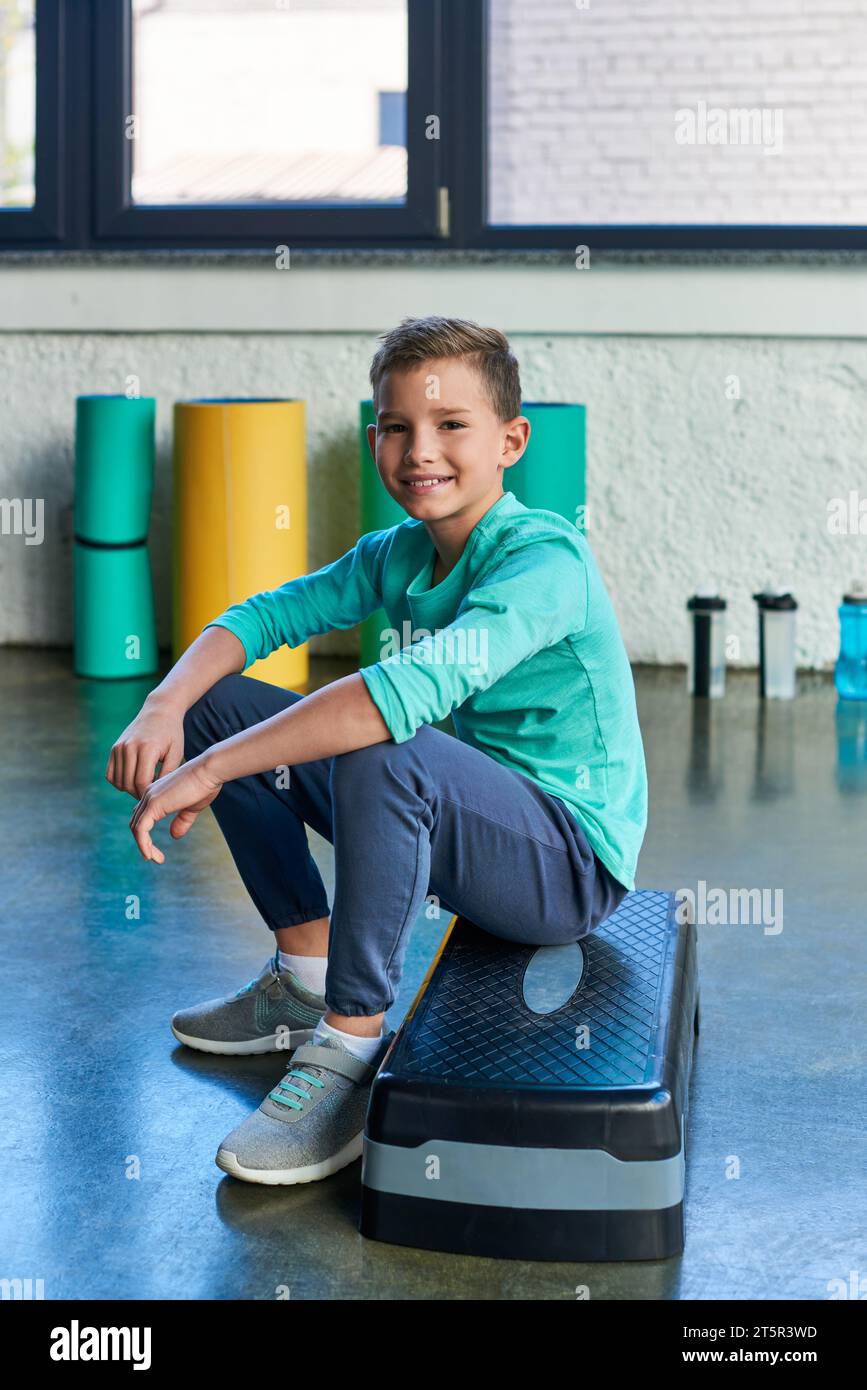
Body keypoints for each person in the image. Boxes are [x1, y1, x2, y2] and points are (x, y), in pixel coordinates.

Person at [106, 315, 648, 1187]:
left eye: (450, 426)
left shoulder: (545, 561)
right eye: (396, 427)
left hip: (564, 864)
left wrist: (210, 770)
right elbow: (259, 617)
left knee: (380, 739)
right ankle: (304, 975)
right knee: (219, 705)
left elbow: (400, 700)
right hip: (457, 819)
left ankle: (350, 1046)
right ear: (372, 440)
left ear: (511, 441)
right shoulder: (396, 554)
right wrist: (166, 705)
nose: (419, 450)